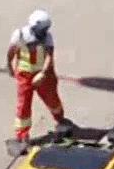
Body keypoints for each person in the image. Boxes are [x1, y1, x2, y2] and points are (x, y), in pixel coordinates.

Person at [7, 10, 71, 144]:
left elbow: (49, 56)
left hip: (44, 74)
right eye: (41, 29)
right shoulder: (20, 35)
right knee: (23, 104)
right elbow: (11, 51)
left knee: (52, 99)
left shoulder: (47, 37)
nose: (43, 32)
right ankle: (22, 135)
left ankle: (60, 119)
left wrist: (42, 73)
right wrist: (9, 65)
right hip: (25, 75)